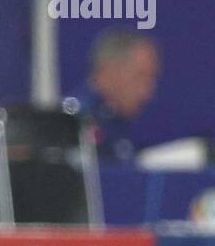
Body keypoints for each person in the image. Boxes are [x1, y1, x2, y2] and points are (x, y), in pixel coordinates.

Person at [68, 28, 161, 161]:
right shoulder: (74, 123)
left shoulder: (117, 124)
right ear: (109, 71)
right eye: (140, 77)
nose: (148, 93)